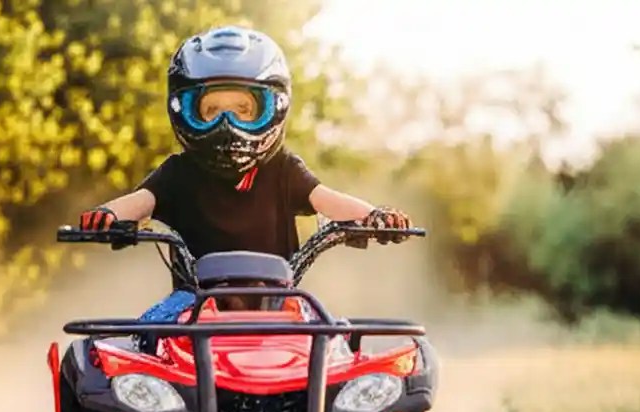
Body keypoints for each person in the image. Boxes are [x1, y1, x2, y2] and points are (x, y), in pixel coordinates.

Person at [76, 25, 412, 323]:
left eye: (242, 110)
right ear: (186, 110)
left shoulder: (283, 170)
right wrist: (107, 216)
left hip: (280, 304)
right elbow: (141, 202)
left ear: (272, 107)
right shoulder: (179, 173)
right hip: (193, 304)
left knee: (331, 340)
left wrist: (376, 216)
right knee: (146, 339)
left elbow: (329, 200)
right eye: (212, 111)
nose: (227, 125)